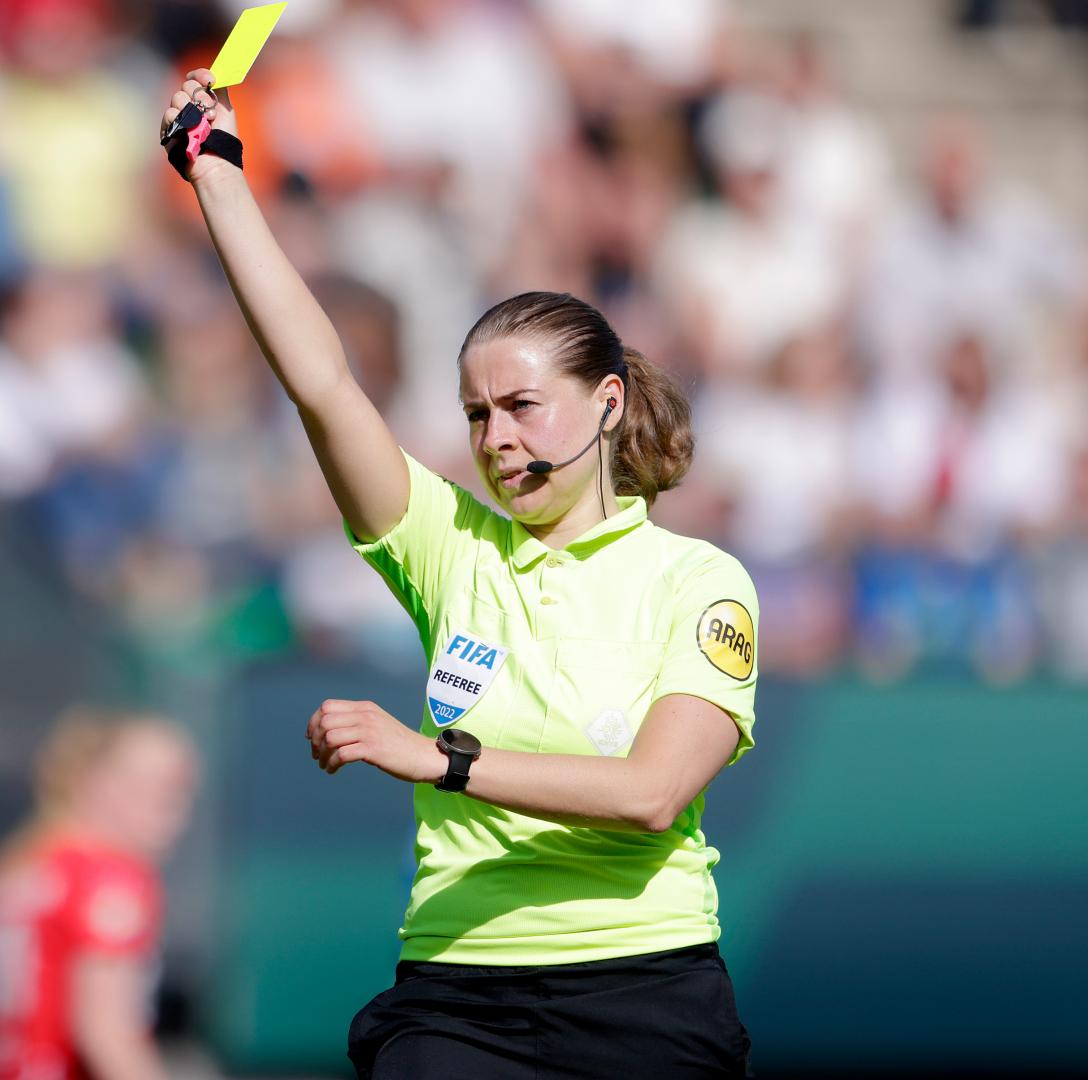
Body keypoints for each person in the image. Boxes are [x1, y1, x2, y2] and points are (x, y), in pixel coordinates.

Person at [162, 70, 757, 1077]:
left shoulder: (698, 582)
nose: (497, 439)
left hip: (645, 996)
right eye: (478, 416)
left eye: (524, 407)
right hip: (456, 993)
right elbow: (321, 382)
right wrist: (215, 176)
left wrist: (440, 759)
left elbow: (654, 793)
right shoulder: (451, 549)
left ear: (609, 403)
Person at [0, 711, 198, 1080]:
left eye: (181, 791)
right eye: (156, 788)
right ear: (95, 783)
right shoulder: (110, 879)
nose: (176, 811)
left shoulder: (18, 864)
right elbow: (106, 1036)